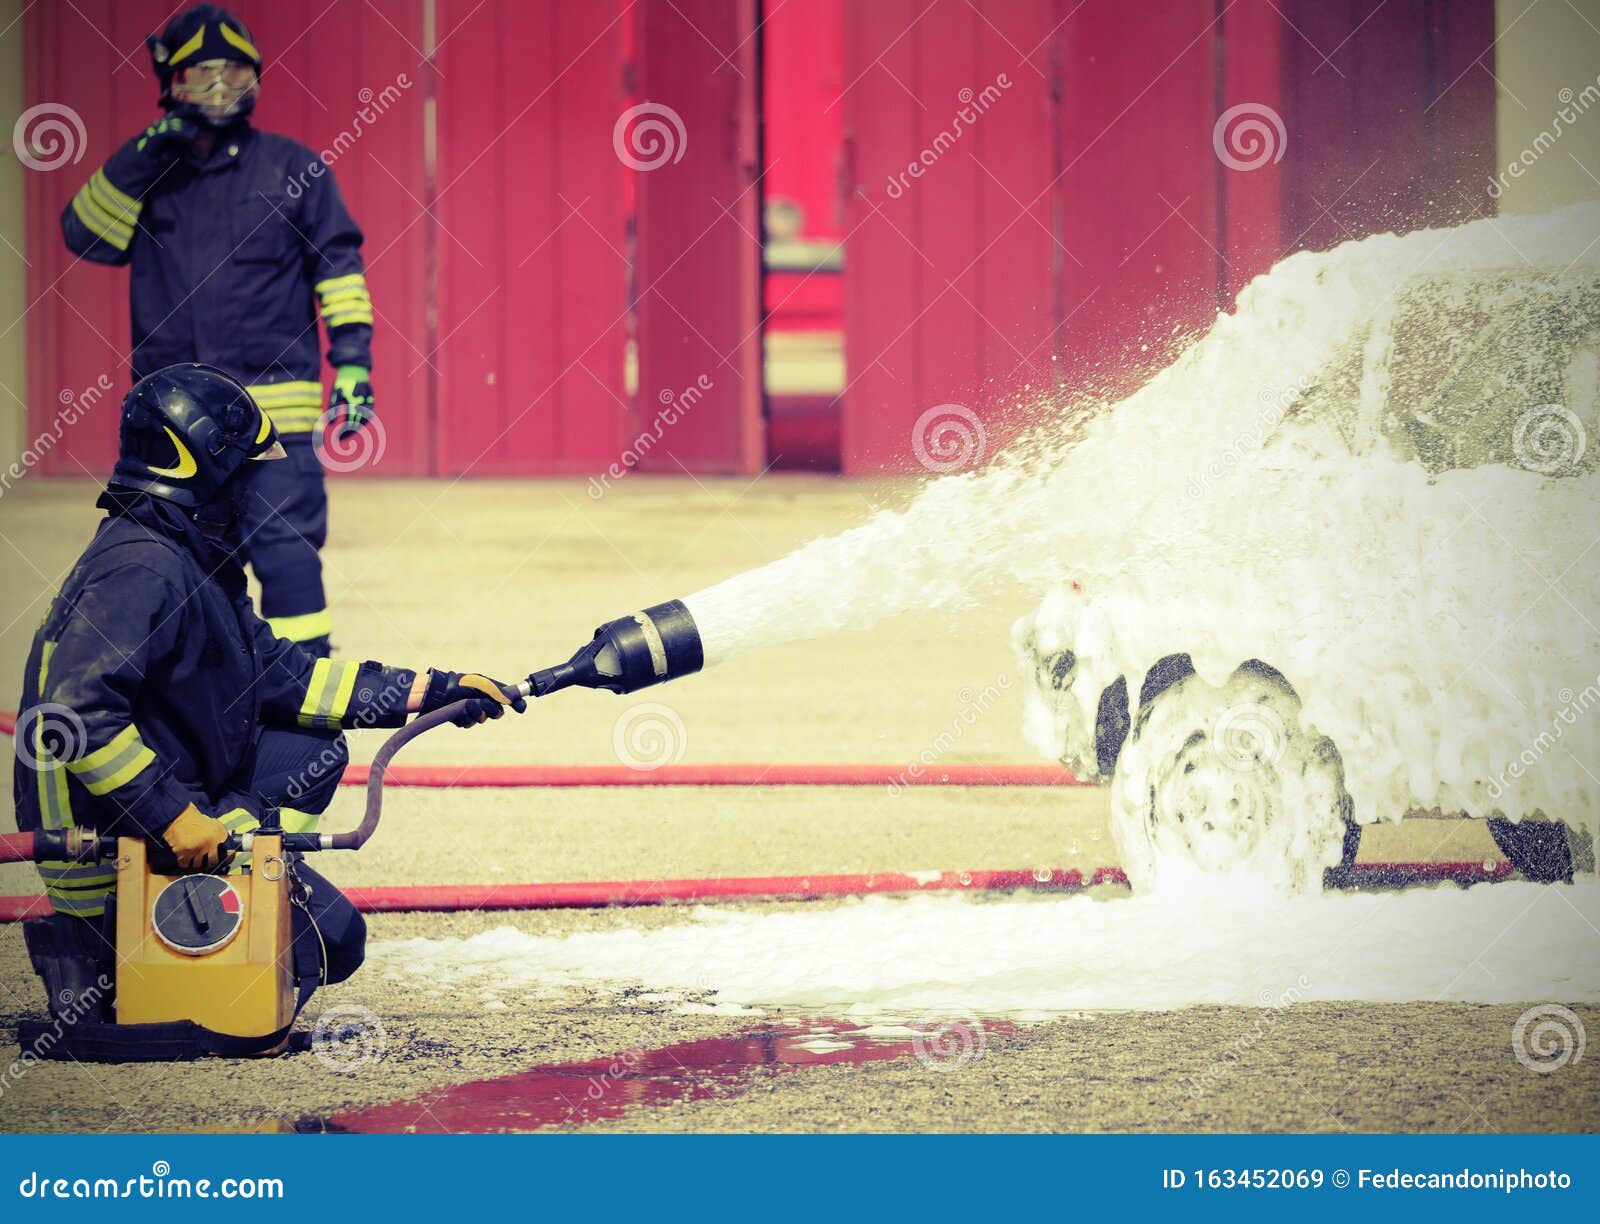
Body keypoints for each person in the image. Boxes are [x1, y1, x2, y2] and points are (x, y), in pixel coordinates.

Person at [13, 365, 521, 1026]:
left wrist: (432, 691)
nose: (255, 490)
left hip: (164, 801)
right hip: (111, 840)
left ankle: (231, 873)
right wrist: (171, 818)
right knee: (331, 940)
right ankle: (94, 950)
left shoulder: (191, 557)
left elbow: (289, 676)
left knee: (312, 751)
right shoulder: (140, 568)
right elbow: (77, 715)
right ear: (203, 470)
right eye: (246, 472)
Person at [60, 3, 376, 657]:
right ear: (170, 84)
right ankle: (204, 714)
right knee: (171, 564)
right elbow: (86, 235)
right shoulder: (148, 176)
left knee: (287, 557)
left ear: (257, 79)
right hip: (169, 417)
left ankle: (303, 708)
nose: (220, 89)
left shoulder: (295, 169)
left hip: (273, 413)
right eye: (200, 75)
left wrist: (353, 364)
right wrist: (146, 151)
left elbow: (339, 269)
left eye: (235, 73)